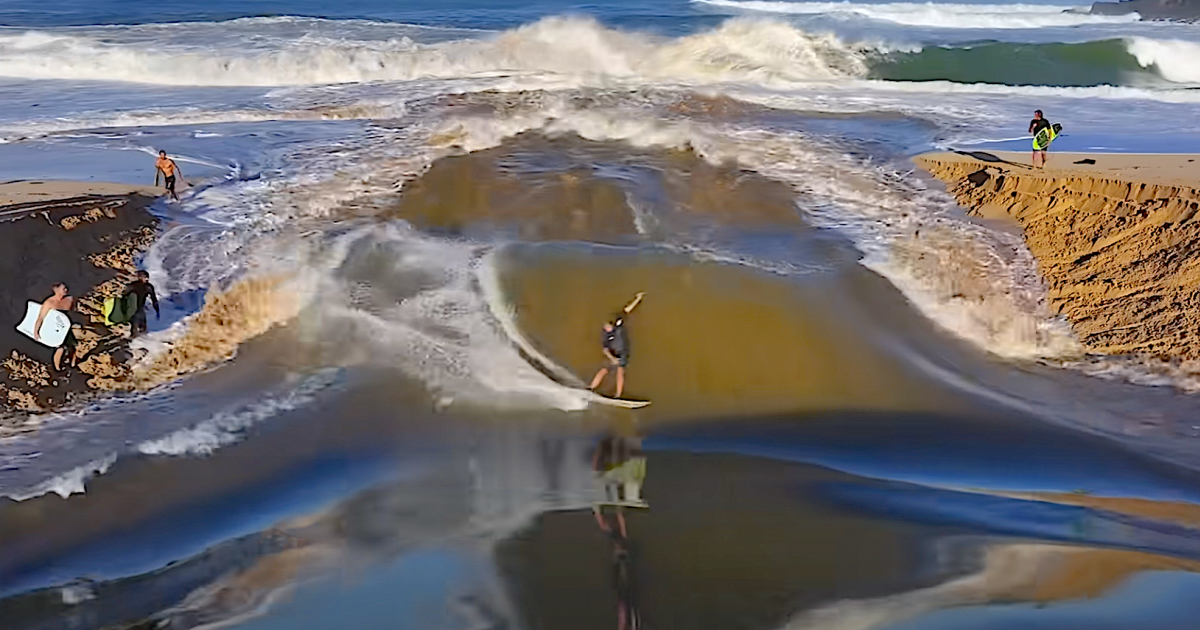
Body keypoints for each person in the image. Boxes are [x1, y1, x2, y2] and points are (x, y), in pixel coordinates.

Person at [589, 292, 645, 399]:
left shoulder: (619, 324)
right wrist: (612, 358)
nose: (606, 328)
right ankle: (591, 387)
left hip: (623, 352)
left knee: (620, 373)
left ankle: (618, 395)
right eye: (605, 327)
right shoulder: (605, 334)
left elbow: (626, 310)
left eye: (608, 327)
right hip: (612, 353)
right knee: (604, 370)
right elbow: (605, 349)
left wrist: (638, 299)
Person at [34, 283, 77, 372]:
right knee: (60, 348)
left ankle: (73, 365)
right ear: (56, 290)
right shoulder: (49, 302)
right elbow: (41, 317)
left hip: (67, 327)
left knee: (73, 346)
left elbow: (73, 312)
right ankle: (58, 368)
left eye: (66, 288)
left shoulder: (70, 299)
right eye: (63, 288)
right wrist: (36, 331)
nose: (66, 290)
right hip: (56, 328)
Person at [122, 270, 160, 338]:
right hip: (136, 309)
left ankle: (136, 338)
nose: (147, 279)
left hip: (134, 308)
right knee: (139, 327)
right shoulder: (147, 287)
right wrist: (157, 310)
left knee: (137, 327)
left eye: (147, 277)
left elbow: (124, 297)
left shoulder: (133, 285)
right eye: (145, 277)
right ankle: (137, 339)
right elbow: (154, 300)